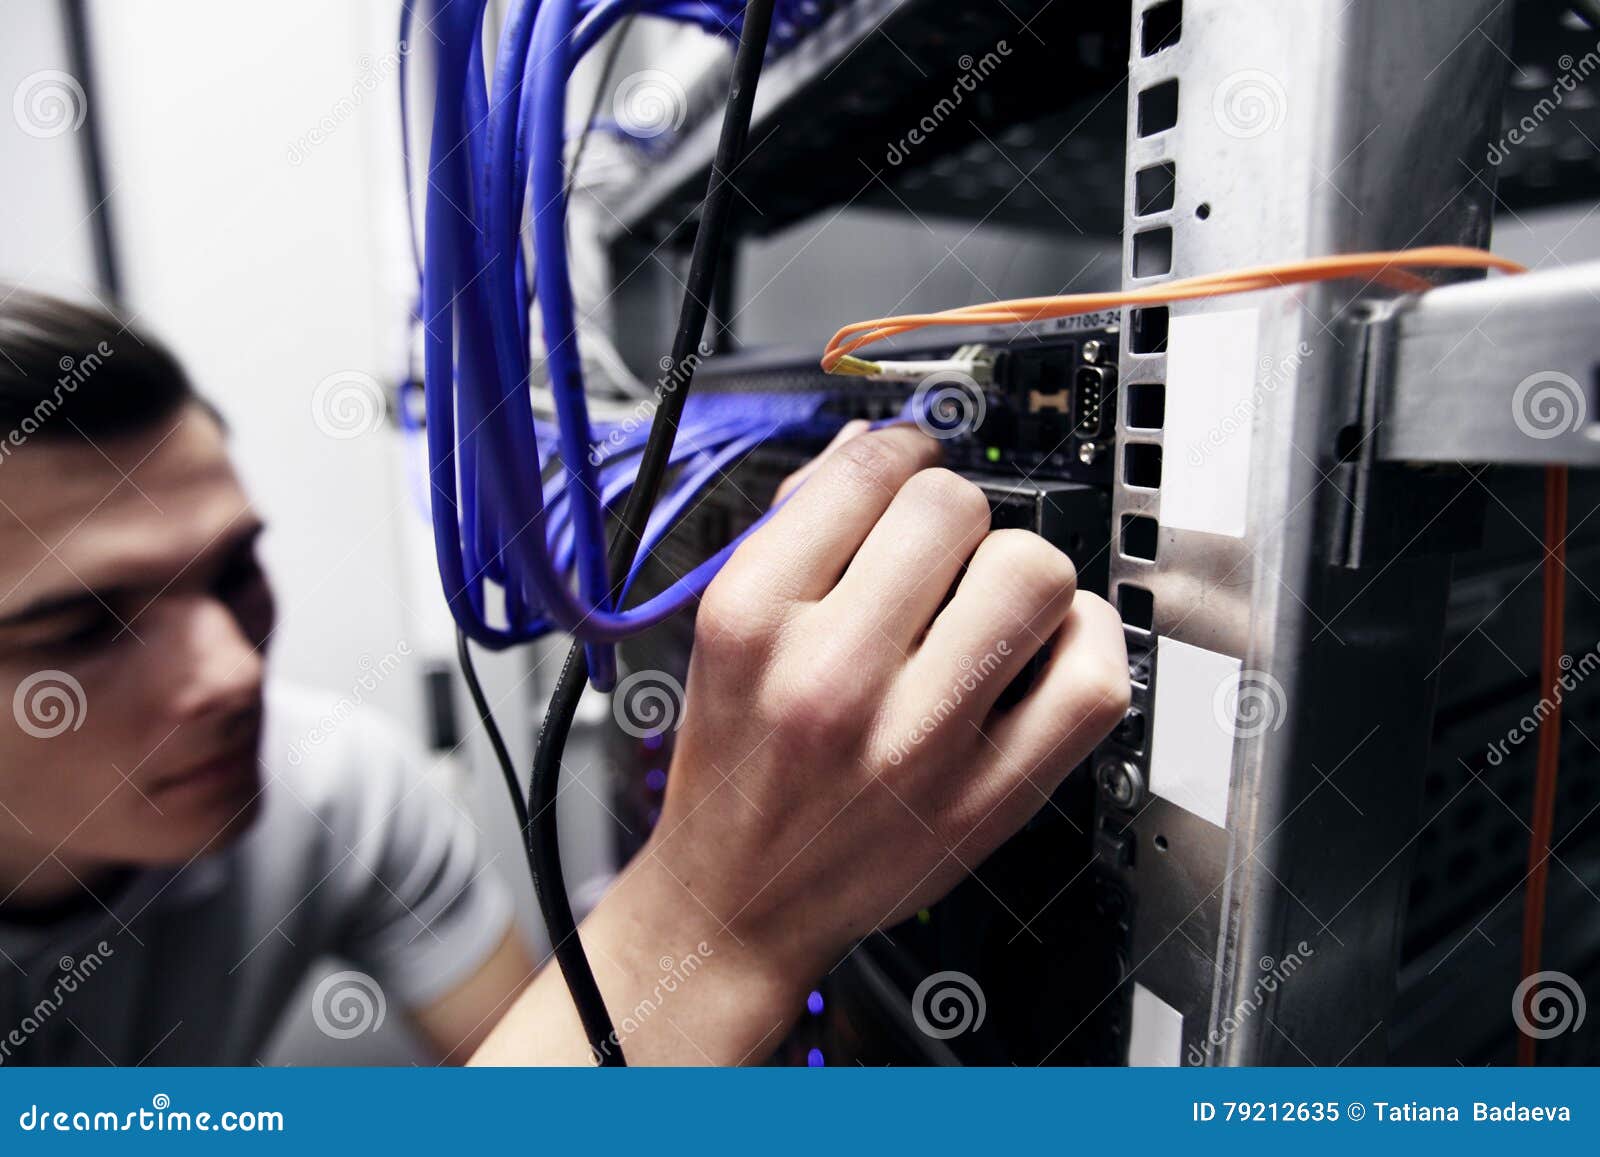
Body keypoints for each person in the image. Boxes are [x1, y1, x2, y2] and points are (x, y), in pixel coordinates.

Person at [0, 290, 1129, 1067]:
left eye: (234, 567)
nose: (232, 667)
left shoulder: (330, 787)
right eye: (84, 625)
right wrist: (710, 919)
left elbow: (520, 1055)